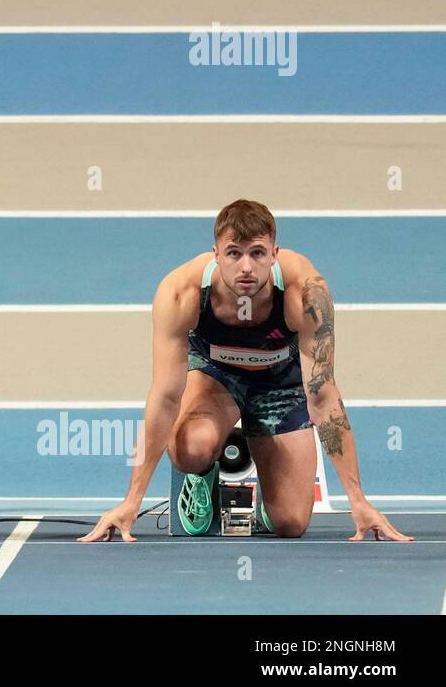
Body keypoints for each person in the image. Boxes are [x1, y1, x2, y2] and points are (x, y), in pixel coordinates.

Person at [81, 199, 411, 543]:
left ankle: (270, 481)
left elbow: (324, 396)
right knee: (190, 449)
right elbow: (165, 398)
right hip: (215, 377)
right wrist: (131, 501)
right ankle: (202, 474)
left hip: (280, 382)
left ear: (274, 253)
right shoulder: (181, 293)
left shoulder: (307, 294)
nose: (246, 268)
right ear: (215, 254)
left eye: (257, 253)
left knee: (290, 523)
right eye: (234, 253)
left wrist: (358, 501)